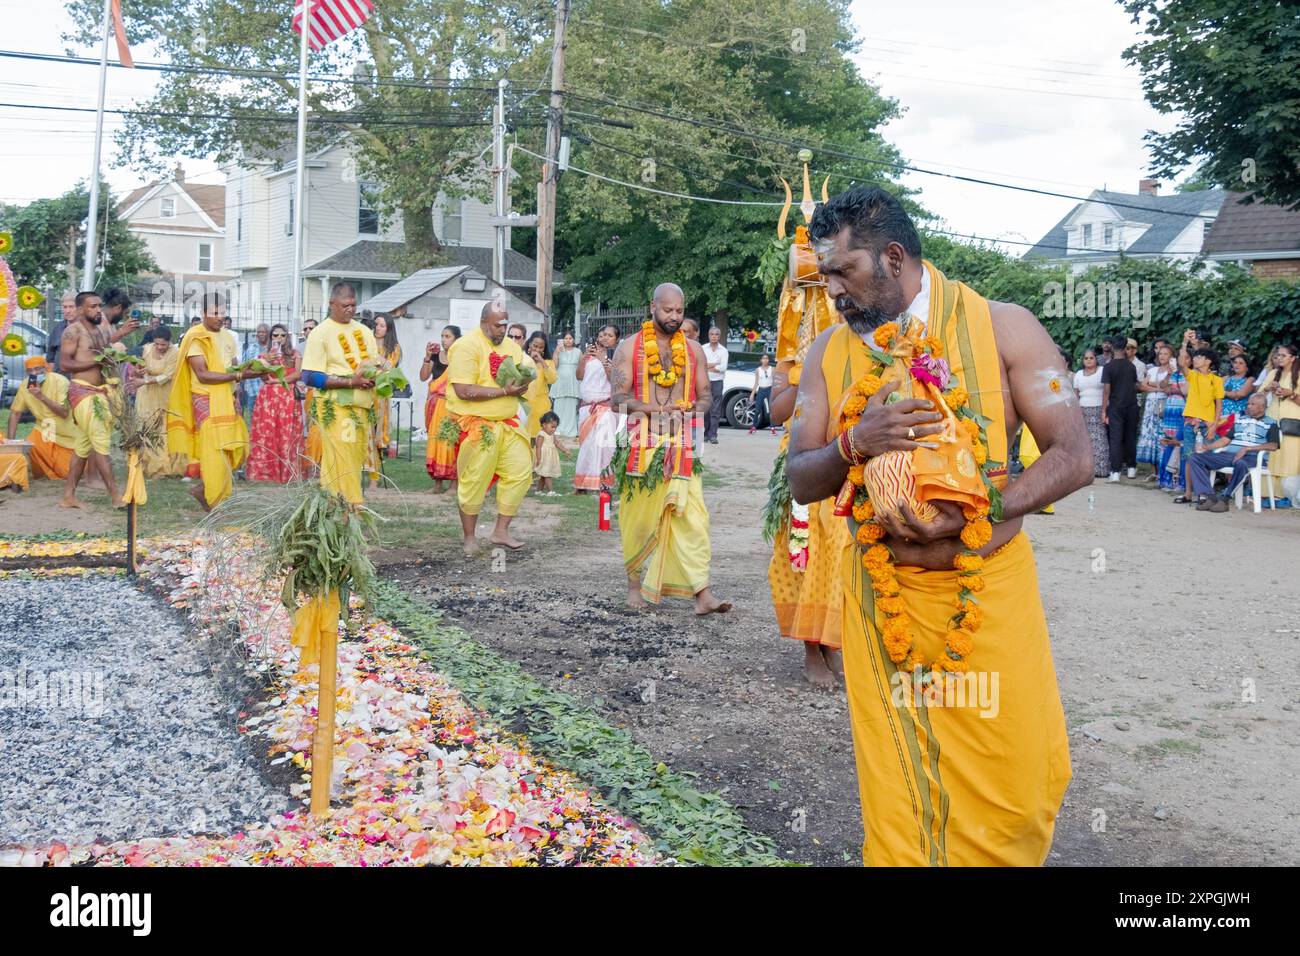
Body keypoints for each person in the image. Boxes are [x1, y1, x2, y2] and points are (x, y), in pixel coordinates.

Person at [788, 185, 1091, 866]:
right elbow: (799, 479)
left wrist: (984, 510)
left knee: (1022, 788)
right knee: (902, 798)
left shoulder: (1005, 328)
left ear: (893, 257)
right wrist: (852, 444)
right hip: (883, 600)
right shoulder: (827, 356)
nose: (831, 290)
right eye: (824, 275)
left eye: (844, 272)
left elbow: (1075, 456)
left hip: (989, 594)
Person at [763, 175, 847, 686]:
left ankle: (835, 640)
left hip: (846, 455)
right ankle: (811, 650)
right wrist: (807, 376)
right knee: (803, 551)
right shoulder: (792, 345)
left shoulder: (856, 337)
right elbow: (775, 413)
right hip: (801, 460)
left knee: (843, 551)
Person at [609, 282, 730, 615]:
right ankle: (634, 585)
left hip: (681, 443)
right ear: (653, 306)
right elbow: (616, 402)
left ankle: (702, 594)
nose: (675, 317)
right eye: (668, 310)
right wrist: (654, 410)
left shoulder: (694, 351)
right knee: (638, 518)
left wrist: (693, 410)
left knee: (692, 518)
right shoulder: (629, 348)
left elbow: (706, 395)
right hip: (639, 443)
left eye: (679, 311)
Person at [444, 299, 536, 556]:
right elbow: (463, 390)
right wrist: (504, 391)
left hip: (507, 423)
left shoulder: (511, 347)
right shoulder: (466, 346)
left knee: (521, 472)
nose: (502, 331)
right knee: (474, 479)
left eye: (505, 325)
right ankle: (470, 537)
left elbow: (520, 375)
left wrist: (523, 383)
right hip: (477, 425)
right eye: (497, 326)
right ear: (484, 322)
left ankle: (500, 530)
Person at [167, 294, 259, 510]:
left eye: (223, 313)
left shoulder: (228, 336)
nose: (220, 317)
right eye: (214, 313)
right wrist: (239, 377)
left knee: (236, 449)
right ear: (203, 313)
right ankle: (214, 501)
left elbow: (235, 367)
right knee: (215, 449)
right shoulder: (196, 336)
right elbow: (203, 375)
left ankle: (203, 489)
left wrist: (254, 374)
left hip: (227, 397)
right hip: (205, 398)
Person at [299, 282, 380, 504]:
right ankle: (348, 507)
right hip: (335, 408)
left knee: (353, 461)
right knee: (340, 459)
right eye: (345, 305)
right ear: (332, 304)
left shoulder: (364, 331)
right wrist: (350, 382)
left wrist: (380, 375)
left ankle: (341, 509)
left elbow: (375, 364)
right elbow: (308, 376)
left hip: (362, 408)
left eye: (353, 305)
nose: (350, 310)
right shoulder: (320, 333)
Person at [57, 291, 123, 508]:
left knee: (83, 446)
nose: (97, 310)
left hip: (101, 390)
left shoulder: (103, 330)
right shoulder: (72, 331)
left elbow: (105, 360)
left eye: (99, 306)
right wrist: (96, 362)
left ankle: (68, 496)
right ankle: (115, 496)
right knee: (101, 441)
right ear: (80, 309)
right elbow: (65, 365)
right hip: (81, 392)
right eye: (93, 306)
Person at [1185, 392, 1279, 512]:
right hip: (1230, 455)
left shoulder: (1271, 423)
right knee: (1195, 458)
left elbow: (1273, 445)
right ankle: (1209, 496)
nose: (1248, 406)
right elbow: (1225, 439)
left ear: (1262, 407)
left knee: (1241, 464)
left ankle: (1224, 498)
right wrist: (1208, 448)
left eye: (1252, 404)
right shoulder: (1241, 420)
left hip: (1252, 457)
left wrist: (1248, 449)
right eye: (1248, 403)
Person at [245, 324, 304, 483]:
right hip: (268, 398)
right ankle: (265, 473)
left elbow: (297, 375)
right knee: (267, 433)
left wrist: (276, 380)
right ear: (271, 338)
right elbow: (256, 373)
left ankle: (286, 473)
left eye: (282, 335)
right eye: (275, 335)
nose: (279, 338)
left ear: (287, 337)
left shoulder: (294, 354)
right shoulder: (265, 355)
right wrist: (265, 362)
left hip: (287, 397)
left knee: (286, 434)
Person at [128, 326, 187, 477]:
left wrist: (144, 381)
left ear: (169, 342)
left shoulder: (175, 352)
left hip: (165, 394)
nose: (160, 347)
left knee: (162, 428)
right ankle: (147, 463)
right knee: (146, 425)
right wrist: (138, 371)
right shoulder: (146, 349)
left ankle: (163, 464)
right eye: (157, 344)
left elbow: (167, 376)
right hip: (146, 395)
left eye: (163, 344)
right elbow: (137, 368)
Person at [4, 356, 74, 482]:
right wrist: (10, 444)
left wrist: (40, 396)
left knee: (66, 472)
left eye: (37, 369)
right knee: (32, 446)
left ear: (46, 369)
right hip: (45, 428)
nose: (34, 373)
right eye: (30, 371)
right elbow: (15, 414)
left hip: (67, 431)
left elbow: (63, 413)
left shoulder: (60, 381)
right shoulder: (25, 385)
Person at [1173, 330, 1223, 504]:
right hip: (1190, 423)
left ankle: (1203, 493)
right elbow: (1181, 362)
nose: (1195, 359)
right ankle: (1188, 493)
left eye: (1199, 357)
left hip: (1207, 424)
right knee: (1188, 457)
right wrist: (1184, 342)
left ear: (1208, 361)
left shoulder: (1216, 380)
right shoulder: (1193, 376)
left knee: (1202, 458)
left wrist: (1214, 425)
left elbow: (1219, 405)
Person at [573, 324, 619, 494]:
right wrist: (585, 357)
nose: (605, 337)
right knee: (587, 447)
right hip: (587, 408)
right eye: (602, 335)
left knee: (605, 447)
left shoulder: (615, 358)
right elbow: (579, 376)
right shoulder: (588, 356)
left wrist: (603, 360)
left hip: (605, 409)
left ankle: (603, 484)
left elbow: (614, 381)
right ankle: (582, 485)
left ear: (615, 341)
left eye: (610, 335)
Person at [1255, 341, 1299, 502]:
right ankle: (1267, 493)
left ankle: (1287, 495)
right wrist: (1269, 388)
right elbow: (1259, 394)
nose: (1279, 358)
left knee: (1289, 456)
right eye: (1278, 355)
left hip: (1292, 422)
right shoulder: (1273, 373)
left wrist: (1291, 394)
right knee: (1272, 455)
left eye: (1283, 355)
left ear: (1293, 358)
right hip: (1273, 418)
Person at [422, 324, 461, 493]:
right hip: (436, 405)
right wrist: (427, 357)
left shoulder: (460, 359)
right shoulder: (436, 356)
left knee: (451, 443)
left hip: (453, 406)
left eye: (448, 337)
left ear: (456, 340)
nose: (444, 340)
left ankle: (454, 484)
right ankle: (437, 484)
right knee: (436, 442)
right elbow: (423, 377)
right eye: (442, 336)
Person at [1102, 334, 1139, 481]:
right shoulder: (1131, 366)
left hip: (1116, 407)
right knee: (1130, 437)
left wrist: (1104, 410)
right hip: (1132, 405)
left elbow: (1106, 391)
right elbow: (1135, 385)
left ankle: (1115, 471)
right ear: (1125, 347)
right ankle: (1131, 468)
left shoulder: (1108, 367)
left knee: (1115, 439)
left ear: (1111, 347)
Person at [370, 313, 402, 470]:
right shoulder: (366, 342)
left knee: (377, 433)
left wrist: (375, 359)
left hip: (381, 394)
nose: (378, 328)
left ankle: (375, 475)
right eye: (376, 324)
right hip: (365, 390)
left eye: (382, 325)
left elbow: (389, 367)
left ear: (388, 328)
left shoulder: (394, 347)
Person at [1137, 342, 1174, 473]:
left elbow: (1169, 388)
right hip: (1150, 405)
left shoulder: (1173, 372)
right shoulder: (1152, 370)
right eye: (1161, 353)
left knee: (1161, 435)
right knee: (1150, 436)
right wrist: (1158, 387)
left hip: (1164, 405)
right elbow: (1142, 386)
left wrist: (1152, 385)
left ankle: (1163, 471)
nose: (1162, 356)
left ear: (1171, 357)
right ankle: (1153, 471)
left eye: (1166, 354)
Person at [1073, 349, 1109, 477]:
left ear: (1096, 359)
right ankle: (1087, 470)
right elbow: (1076, 394)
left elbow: (1106, 391)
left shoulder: (1102, 371)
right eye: (1086, 358)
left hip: (1099, 408)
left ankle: (1101, 469)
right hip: (1083, 409)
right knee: (1086, 440)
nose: (1088, 360)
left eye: (1091, 358)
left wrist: (1104, 410)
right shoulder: (1078, 374)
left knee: (1100, 439)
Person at [1158, 361, 1188, 491]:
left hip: (1184, 410)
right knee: (1168, 443)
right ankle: (1165, 479)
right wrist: (1169, 375)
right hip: (1170, 410)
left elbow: (1186, 392)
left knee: (1180, 444)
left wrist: (1172, 390)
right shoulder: (1173, 374)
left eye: (1186, 358)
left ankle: (1181, 480)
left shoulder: (1191, 374)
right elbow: (1163, 386)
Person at [523, 331, 557, 439]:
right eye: (535, 346)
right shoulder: (522, 358)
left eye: (541, 347)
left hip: (542, 406)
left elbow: (552, 379)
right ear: (529, 344)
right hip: (525, 404)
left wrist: (542, 361)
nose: (537, 350)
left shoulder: (547, 362)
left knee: (541, 440)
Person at [550, 330, 582, 438]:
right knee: (559, 405)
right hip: (560, 382)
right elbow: (554, 365)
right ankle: (558, 428)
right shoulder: (559, 350)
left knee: (572, 406)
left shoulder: (578, 352)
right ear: (563, 340)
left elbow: (582, 367)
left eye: (570, 338)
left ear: (573, 340)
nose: (568, 340)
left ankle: (571, 430)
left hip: (573, 382)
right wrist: (556, 352)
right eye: (566, 338)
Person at [533, 410, 571, 495]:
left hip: (549, 458)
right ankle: (550, 491)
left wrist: (565, 451)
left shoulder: (552, 435)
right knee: (547, 475)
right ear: (544, 425)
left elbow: (557, 443)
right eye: (552, 427)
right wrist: (538, 458)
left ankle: (539, 491)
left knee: (543, 475)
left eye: (555, 427)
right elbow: (538, 447)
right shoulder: (542, 435)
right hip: (543, 458)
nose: (553, 429)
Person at [702, 324, 728, 444]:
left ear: (719, 336)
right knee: (705, 408)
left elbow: (723, 367)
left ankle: (713, 435)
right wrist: (714, 364)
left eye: (716, 334)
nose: (714, 336)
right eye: (712, 334)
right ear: (708, 335)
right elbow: (701, 365)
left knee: (715, 409)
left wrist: (709, 365)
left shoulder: (723, 351)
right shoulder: (703, 348)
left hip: (717, 382)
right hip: (705, 381)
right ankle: (705, 435)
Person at [242, 323, 271, 412]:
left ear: (268, 333)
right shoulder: (251, 348)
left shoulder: (272, 349)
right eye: (259, 332)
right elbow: (244, 366)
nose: (261, 334)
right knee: (253, 417)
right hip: (253, 389)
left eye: (264, 332)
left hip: (269, 389)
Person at [45, 292, 76, 368]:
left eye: (71, 307)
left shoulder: (87, 327)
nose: (68, 311)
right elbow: (50, 357)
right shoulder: (58, 329)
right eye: (65, 307)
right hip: (60, 376)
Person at [1221, 353, 1255, 419]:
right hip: (1222, 414)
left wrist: (1223, 392)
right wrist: (1231, 393)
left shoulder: (1250, 380)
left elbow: (1239, 395)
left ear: (1247, 368)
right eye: (1235, 362)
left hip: (1239, 416)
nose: (1237, 365)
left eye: (1241, 363)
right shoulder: (1226, 378)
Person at [749, 352, 775, 434]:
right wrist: (752, 393)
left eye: (766, 358)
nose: (765, 360)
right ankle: (753, 427)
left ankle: (772, 427)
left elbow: (774, 381)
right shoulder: (758, 370)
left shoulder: (772, 369)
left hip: (769, 389)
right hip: (761, 389)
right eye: (763, 358)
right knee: (757, 409)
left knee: (771, 409)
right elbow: (756, 382)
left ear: (768, 360)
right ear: (761, 360)